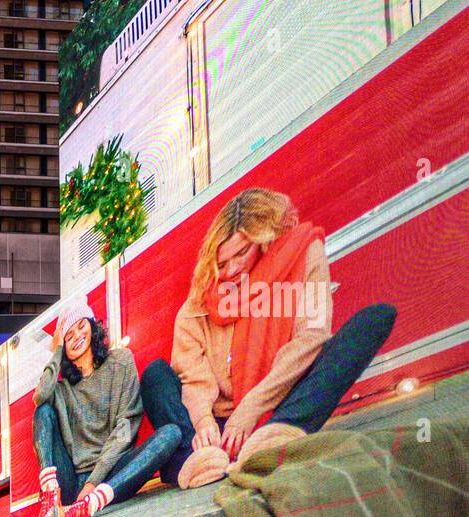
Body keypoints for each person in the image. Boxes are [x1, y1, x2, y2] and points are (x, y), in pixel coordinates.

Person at [140, 187, 394, 488]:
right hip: (216, 429)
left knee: (374, 319)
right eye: (221, 263)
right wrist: (203, 421)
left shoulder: (301, 254)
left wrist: (251, 408)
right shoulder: (199, 299)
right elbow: (192, 377)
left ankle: (275, 438)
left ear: (265, 240)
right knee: (156, 374)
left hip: (275, 408)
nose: (231, 269)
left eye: (241, 253)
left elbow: (311, 338)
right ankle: (193, 461)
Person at [32, 310, 181, 517]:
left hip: (112, 475)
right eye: (68, 336)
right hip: (72, 481)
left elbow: (126, 427)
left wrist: (94, 483)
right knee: (42, 410)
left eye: (81, 326)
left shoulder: (120, 361)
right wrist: (55, 352)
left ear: (92, 326)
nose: (77, 336)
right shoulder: (60, 389)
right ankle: (50, 499)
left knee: (171, 434)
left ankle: (87, 507)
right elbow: (40, 396)